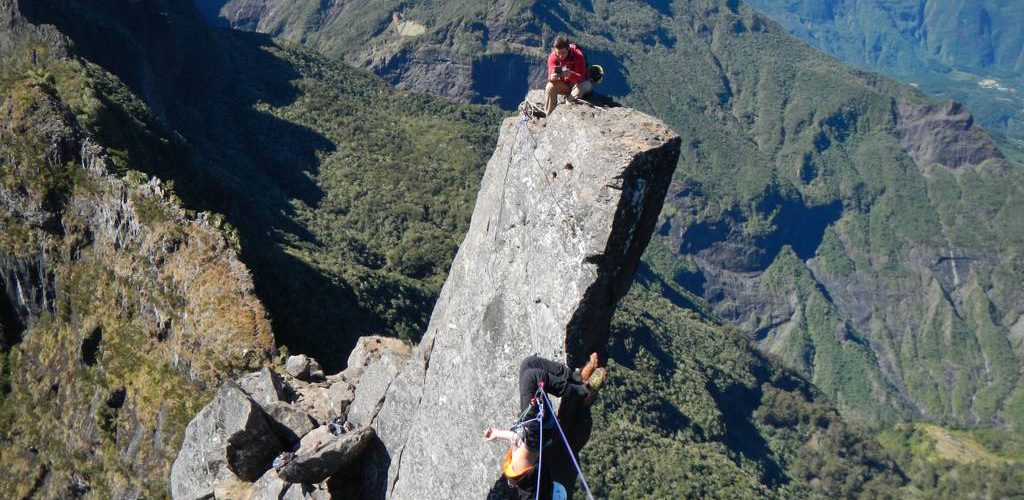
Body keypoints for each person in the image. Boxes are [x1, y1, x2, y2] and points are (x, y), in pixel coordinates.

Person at [484, 354, 606, 499]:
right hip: (536, 429)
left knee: (529, 363)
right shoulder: (530, 487)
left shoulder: (515, 471)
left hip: (531, 429)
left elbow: (517, 439)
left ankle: (578, 378)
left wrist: (497, 434)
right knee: (532, 377)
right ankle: (582, 392)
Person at [544, 36, 592, 116]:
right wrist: (552, 78)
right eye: (558, 53)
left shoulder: (578, 55)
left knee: (582, 86)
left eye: (563, 53)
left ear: (568, 49)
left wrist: (570, 74)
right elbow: (550, 74)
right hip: (566, 86)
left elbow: (582, 78)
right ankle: (548, 115)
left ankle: (568, 104)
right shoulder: (553, 57)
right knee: (549, 86)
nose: (560, 56)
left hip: (581, 84)